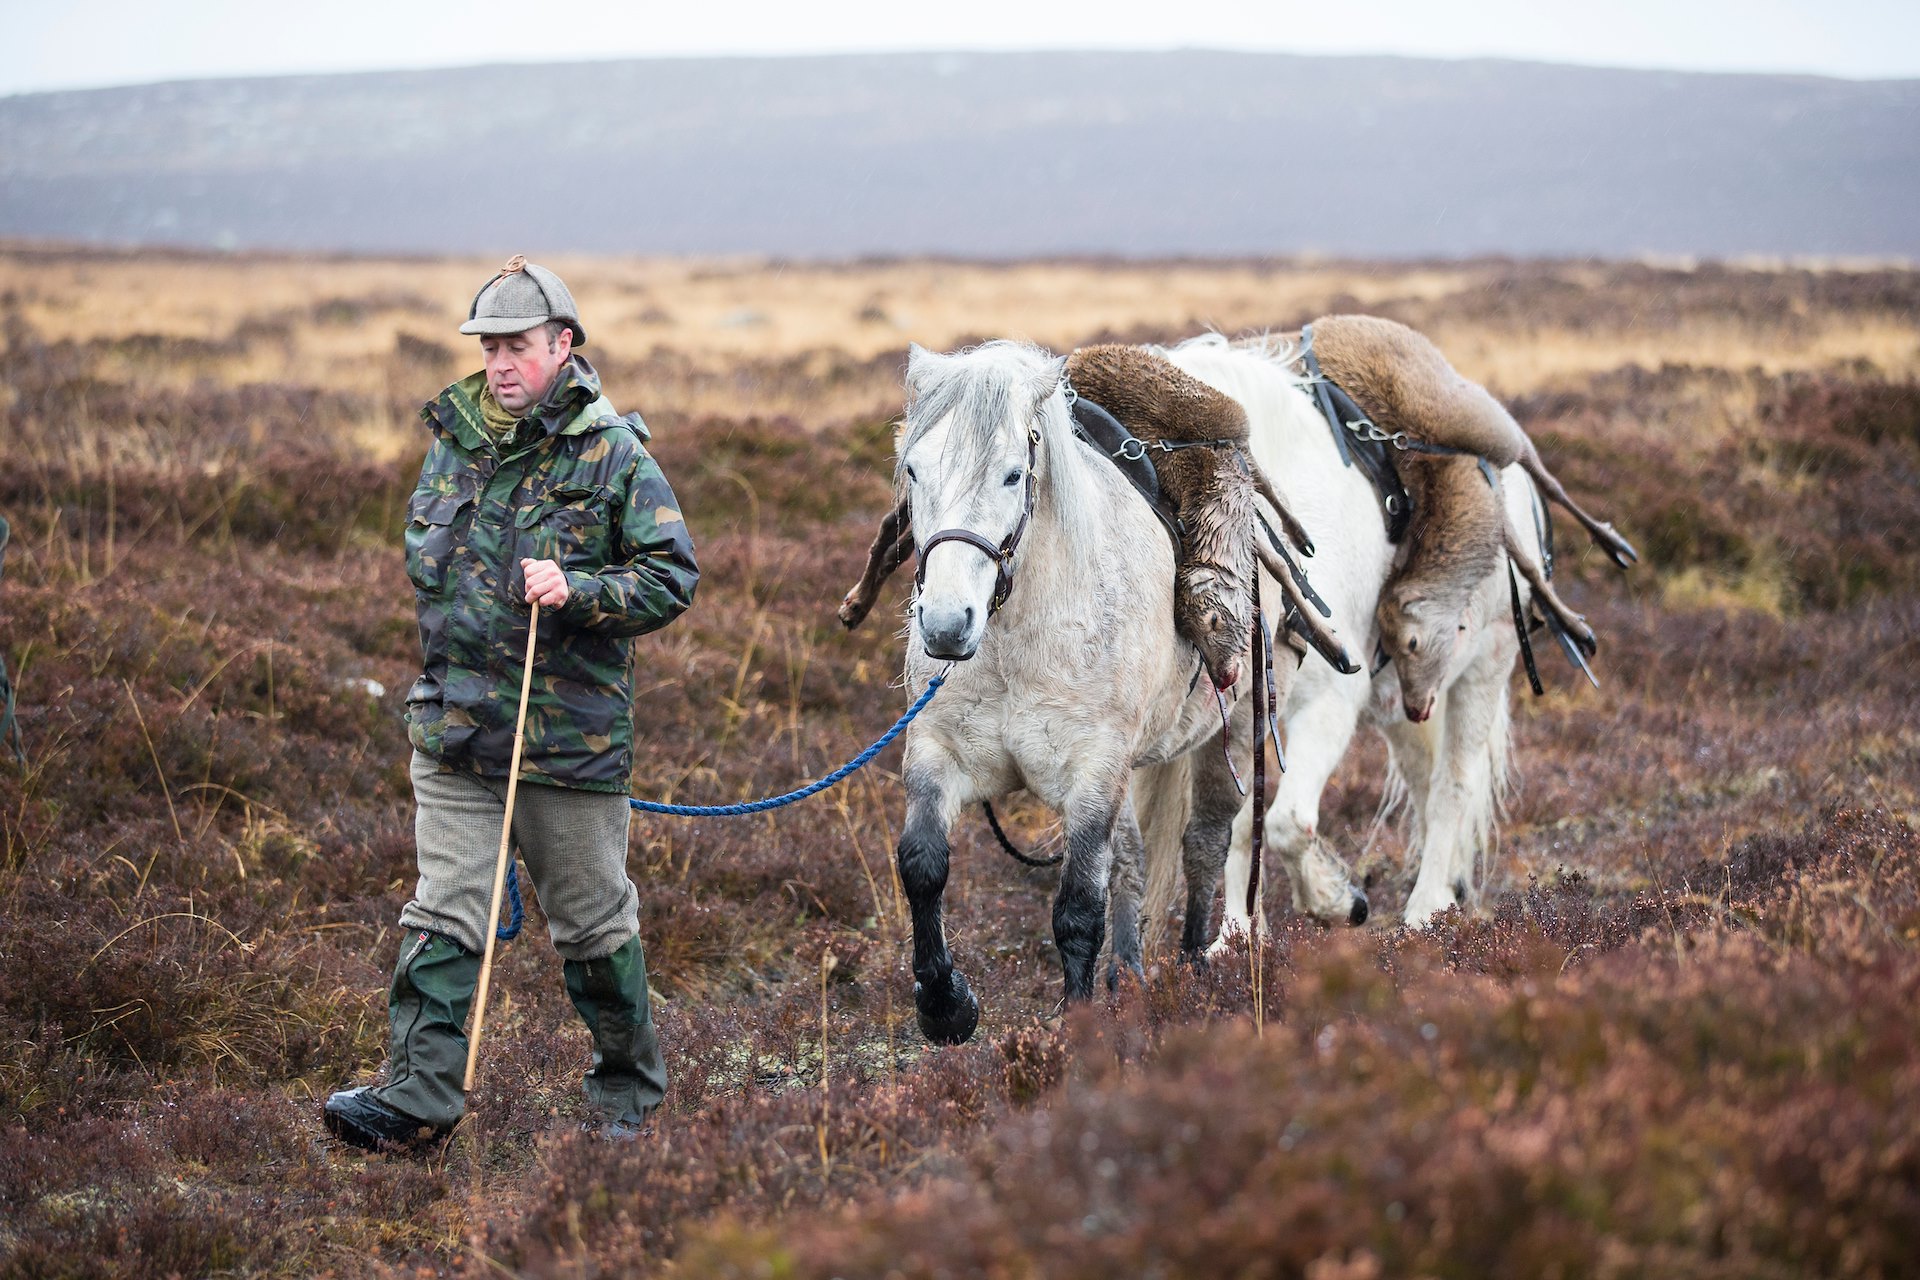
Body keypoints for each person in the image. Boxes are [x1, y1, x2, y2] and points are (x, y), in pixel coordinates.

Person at [324, 256, 699, 1150]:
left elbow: (672, 577)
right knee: (443, 910)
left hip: (565, 744)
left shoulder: (613, 453)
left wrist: (578, 588)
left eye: (517, 346)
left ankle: (627, 1101)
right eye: (488, 346)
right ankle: (416, 1103)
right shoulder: (452, 442)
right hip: (455, 734)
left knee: (593, 924)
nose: (499, 363)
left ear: (562, 345)